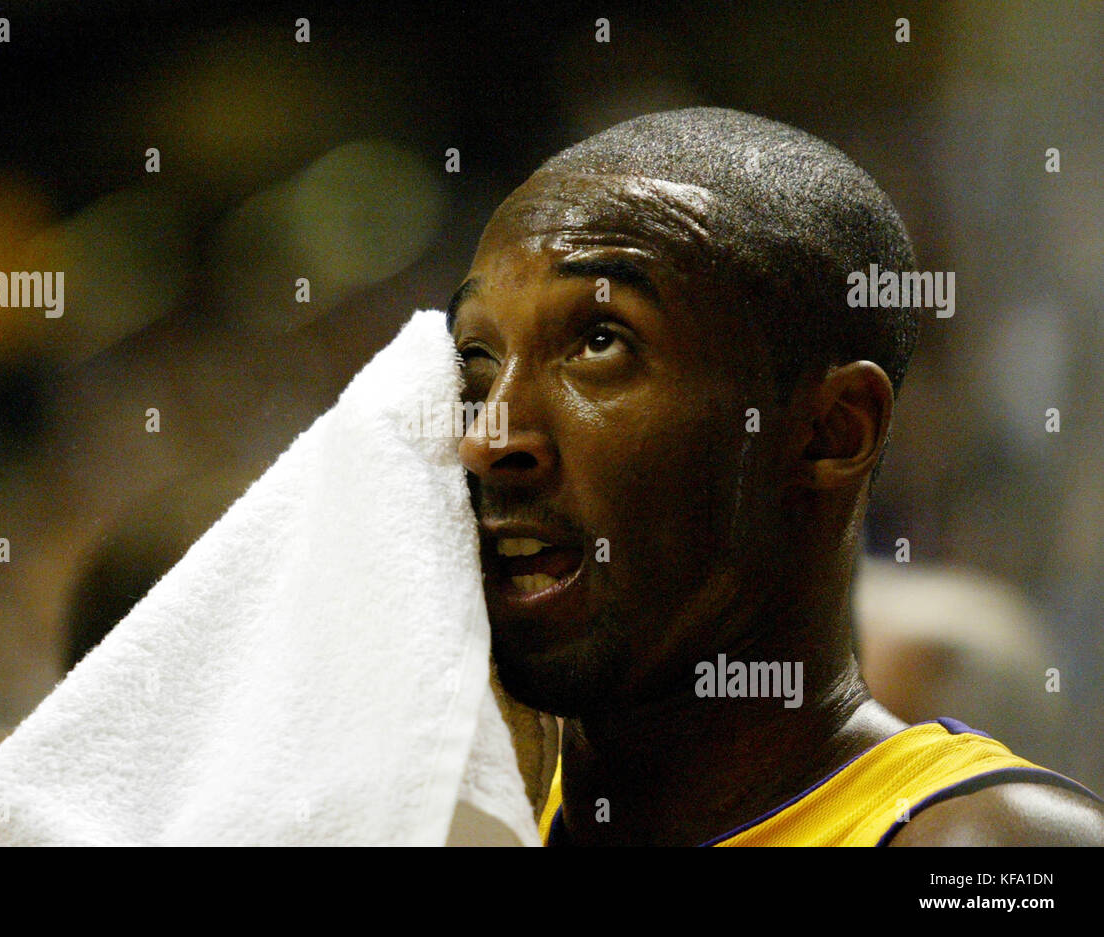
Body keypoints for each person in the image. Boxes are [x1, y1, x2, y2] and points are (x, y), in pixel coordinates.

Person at [447, 107, 1104, 846]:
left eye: (601, 342)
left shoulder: (992, 852)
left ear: (830, 431)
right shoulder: (447, 814)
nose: (487, 436)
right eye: (477, 358)